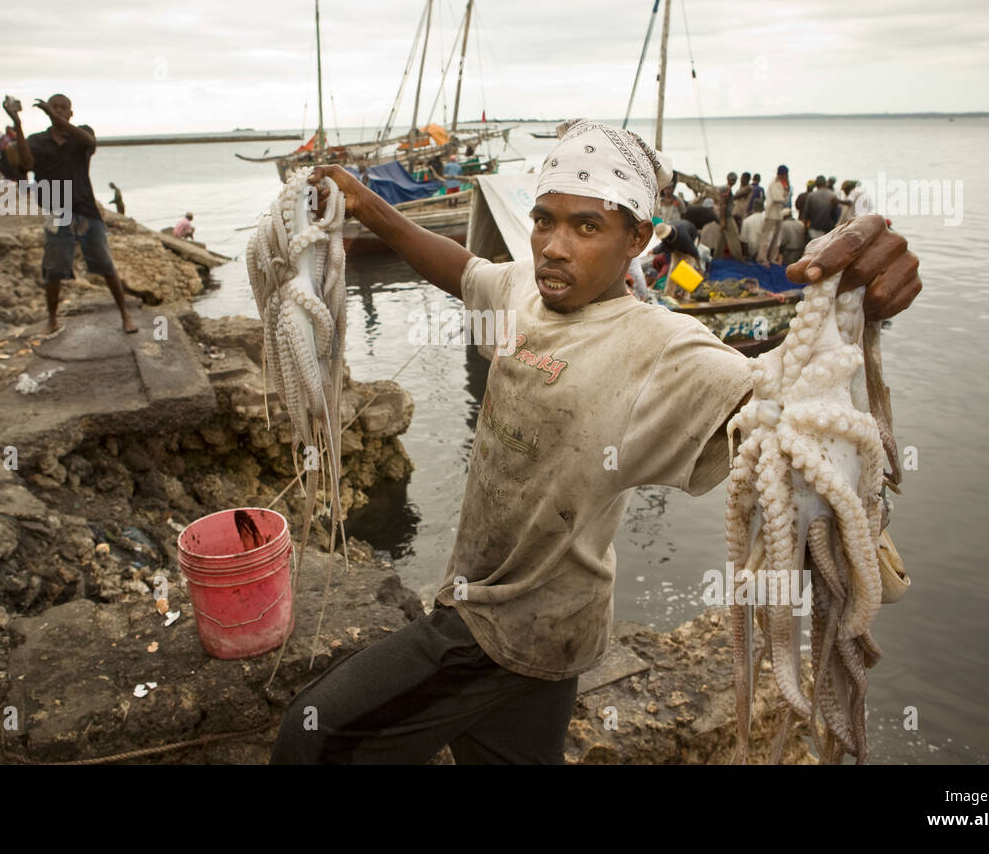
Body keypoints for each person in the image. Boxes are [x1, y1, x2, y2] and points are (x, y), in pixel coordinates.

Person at [269, 118, 920, 764]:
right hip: (559, 639)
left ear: (637, 237)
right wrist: (362, 201)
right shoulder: (525, 291)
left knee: (312, 735)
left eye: (587, 227)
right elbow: (462, 269)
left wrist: (856, 303)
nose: (554, 245)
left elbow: (779, 400)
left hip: (504, 624)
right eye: (544, 220)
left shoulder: (665, 350)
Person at [5, 94, 137, 336]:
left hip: (85, 209)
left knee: (105, 263)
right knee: (53, 268)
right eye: (54, 107)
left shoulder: (81, 136)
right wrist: (17, 123)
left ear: (70, 113)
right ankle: (52, 319)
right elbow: (26, 162)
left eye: (62, 108)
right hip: (55, 211)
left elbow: (89, 142)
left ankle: (125, 315)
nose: (57, 111)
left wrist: (56, 118)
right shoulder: (38, 141)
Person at [757, 164, 789, 265]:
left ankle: (771, 258)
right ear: (782, 175)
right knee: (766, 237)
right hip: (771, 214)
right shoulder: (774, 184)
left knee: (776, 238)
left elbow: (785, 199)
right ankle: (762, 258)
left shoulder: (784, 184)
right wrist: (784, 196)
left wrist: (785, 193)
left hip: (779, 214)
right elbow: (777, 198)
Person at [803, 173, 839, 241]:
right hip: (828, 231)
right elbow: (835, 215)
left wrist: (804, 231)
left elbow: (806, 215)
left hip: (814, 231)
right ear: (825, 183)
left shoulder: (811, 196)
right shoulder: (832, 195)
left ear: (816, 185)